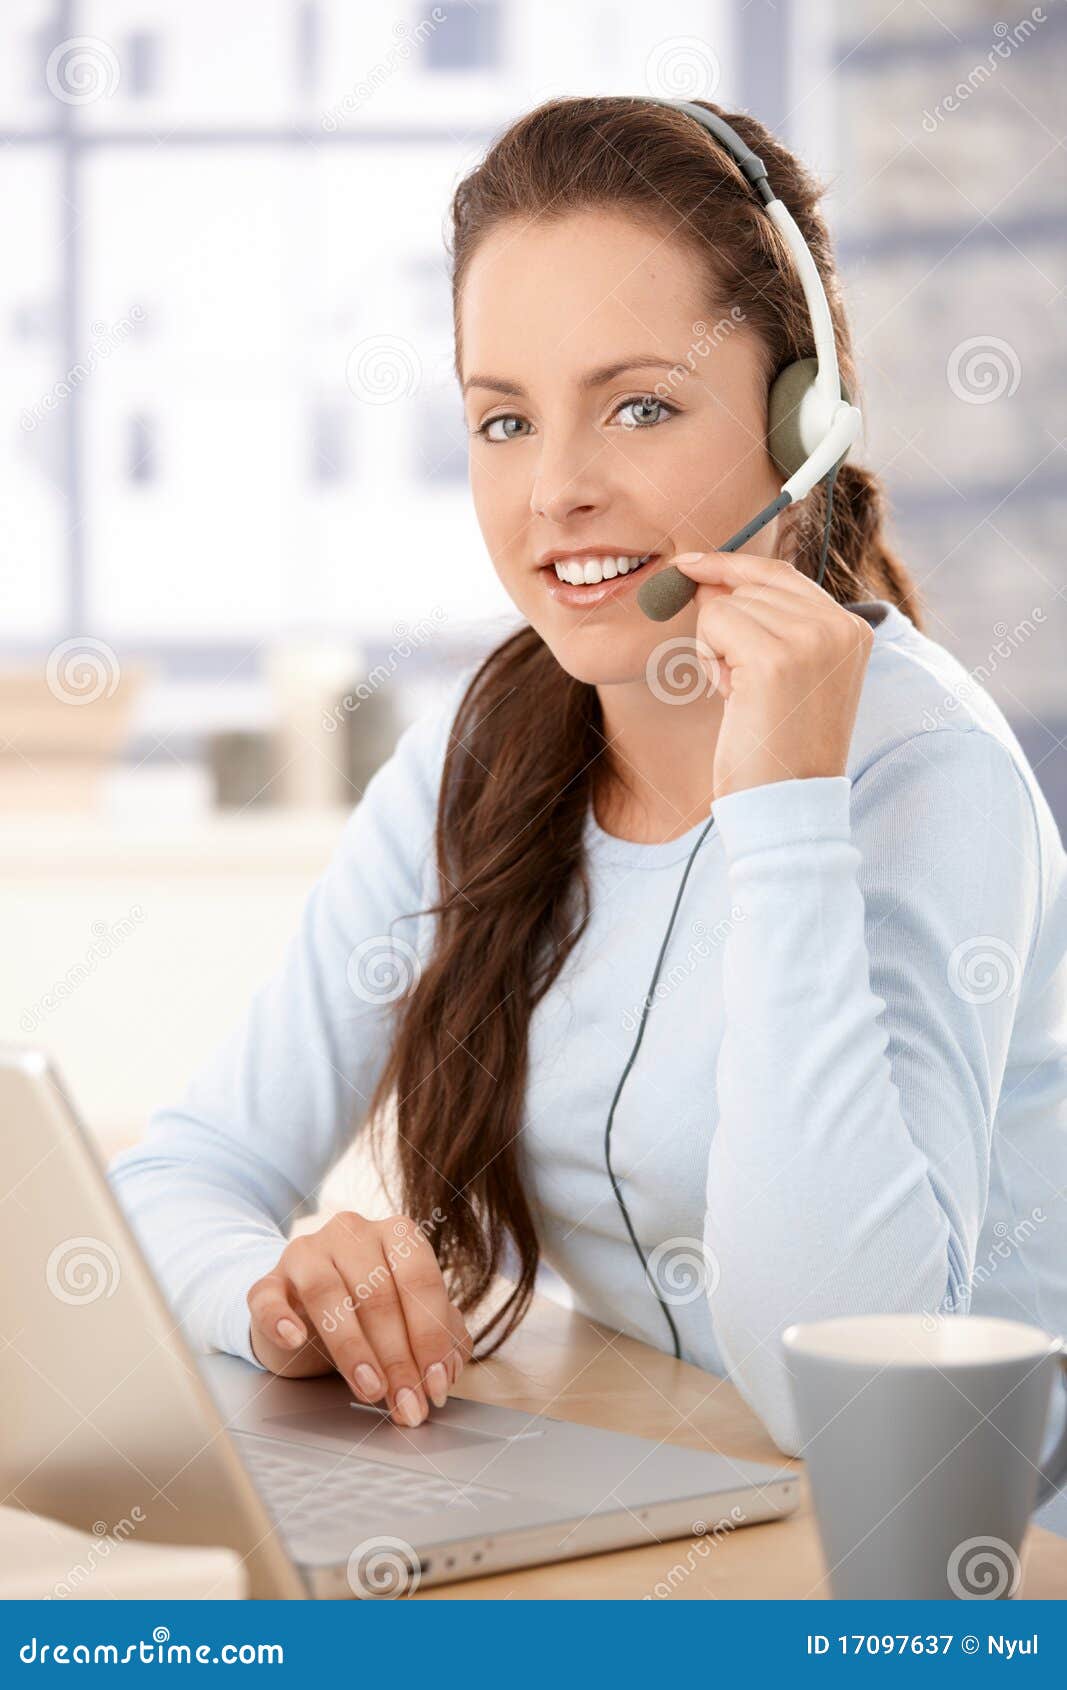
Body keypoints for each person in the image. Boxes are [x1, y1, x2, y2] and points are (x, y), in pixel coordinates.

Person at [108, 97, 1067, 1458]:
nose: (556, 489)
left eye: (638, 406)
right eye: (505, 423)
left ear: (805, 420)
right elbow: (184, 1174)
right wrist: (275, 1301)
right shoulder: (483, 752)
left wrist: (785, 813)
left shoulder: (928, 777)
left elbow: (850, 1395)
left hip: (962, 1572)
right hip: (666, 1508)